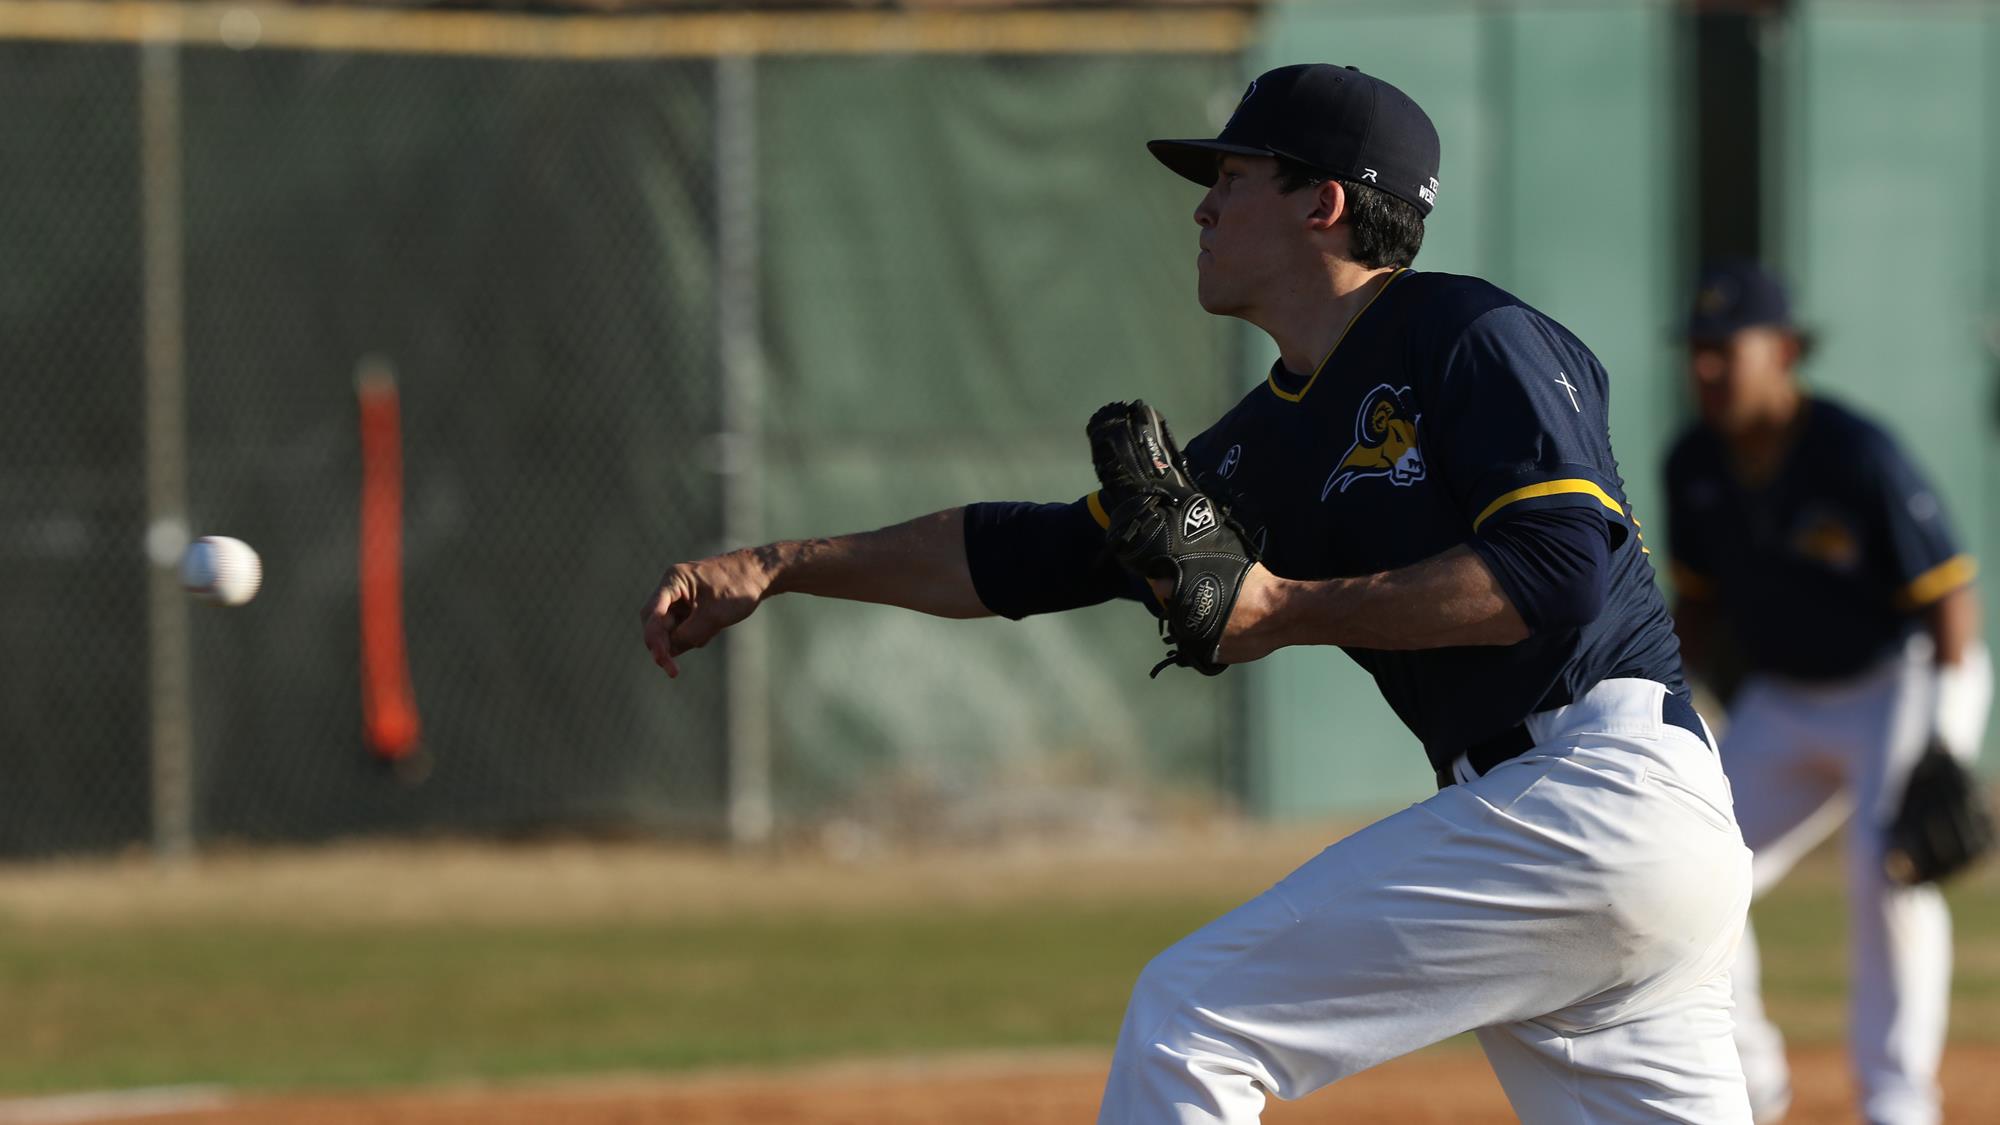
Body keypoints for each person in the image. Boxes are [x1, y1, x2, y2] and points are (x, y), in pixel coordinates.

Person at [643, 64, 1753, 1123]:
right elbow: (1027, 556)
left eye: (1230, 179)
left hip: (1597, 791)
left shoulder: (1469, 335)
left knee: (1190, 1023)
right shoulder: (1261, 445)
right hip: (1592, 832)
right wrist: (777, 566)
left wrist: (1285, 608)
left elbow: (1556, 571)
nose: (1201, 210)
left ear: (1321, 202)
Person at [1665, 261, 1991, 1125]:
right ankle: (1754, 1078)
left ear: (1784, 352)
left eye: (1723, 349)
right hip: (1783, 696)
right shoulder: (1693, 461)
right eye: (1695, 350)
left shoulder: (1854, 450)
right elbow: (1693, 607)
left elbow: (1952, 602)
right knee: (1693, 871)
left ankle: (1896, 1100)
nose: (1704, 368)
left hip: (1901, 681)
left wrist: (1948, 746)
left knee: (1891, 872)